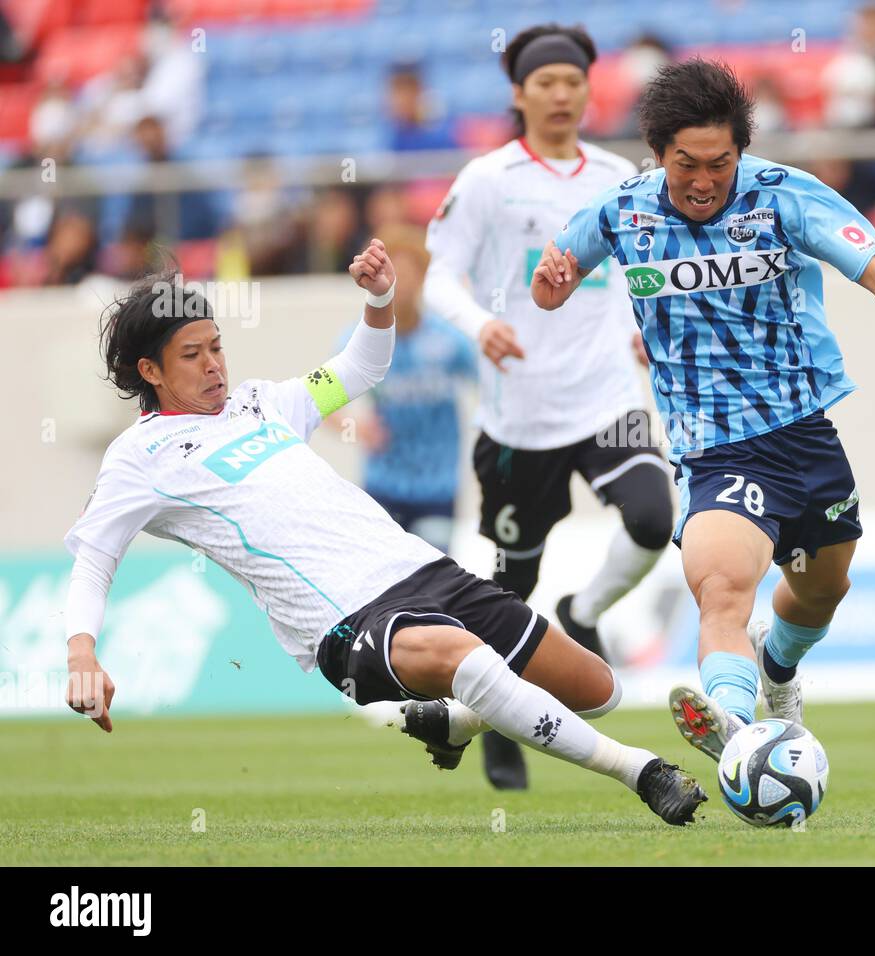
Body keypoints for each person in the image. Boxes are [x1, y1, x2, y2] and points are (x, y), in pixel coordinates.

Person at [60, 238, 706, 827]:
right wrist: (82, 653)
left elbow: (358, 369)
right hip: (345, 622)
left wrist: (379, 299)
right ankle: (643, 772)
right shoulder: (139, 459)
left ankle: (459, 722)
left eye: (217, 347)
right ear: (150, 372)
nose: (214, 366)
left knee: (599, 690)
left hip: (424, 571)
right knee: (465, 659)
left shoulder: (261, 404)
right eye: (192, 356)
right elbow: (95, 559)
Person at [532, 59, 875, 762]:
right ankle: (735, 728)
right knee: (722, 588)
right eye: (686, 165)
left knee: (823, 589)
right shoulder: (621, 212)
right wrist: (548, 288)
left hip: (803, 433)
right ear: (657, 155)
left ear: (741, 151)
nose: (704, 181)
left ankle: (778, 667)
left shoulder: (783, 196)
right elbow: (552, 282)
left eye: (720, 162)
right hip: (715, 448)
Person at [422, 24, 675, 790]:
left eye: (573, 81)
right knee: (509, 594)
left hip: (603, 400)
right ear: (519, 95)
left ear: (589, 89)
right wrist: (481, 325)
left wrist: (642, 329)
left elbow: (642, 272)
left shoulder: (616, 176)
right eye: (546, 82)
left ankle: (586, 608)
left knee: (653, 515)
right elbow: (437, 278)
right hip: (518, 421)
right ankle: (492, 719)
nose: (562, 94)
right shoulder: (489, 179)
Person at [327, 225, 476, 554]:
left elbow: (490, 386)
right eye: (396, 273)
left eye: (412, 273)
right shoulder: (360, 338)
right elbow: (324, 401)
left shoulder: (449, 340)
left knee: (433, 577)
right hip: (383, 485)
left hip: (438, 486)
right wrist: (357, 426)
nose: (403, 284)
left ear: (424, 278)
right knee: (384, 577)